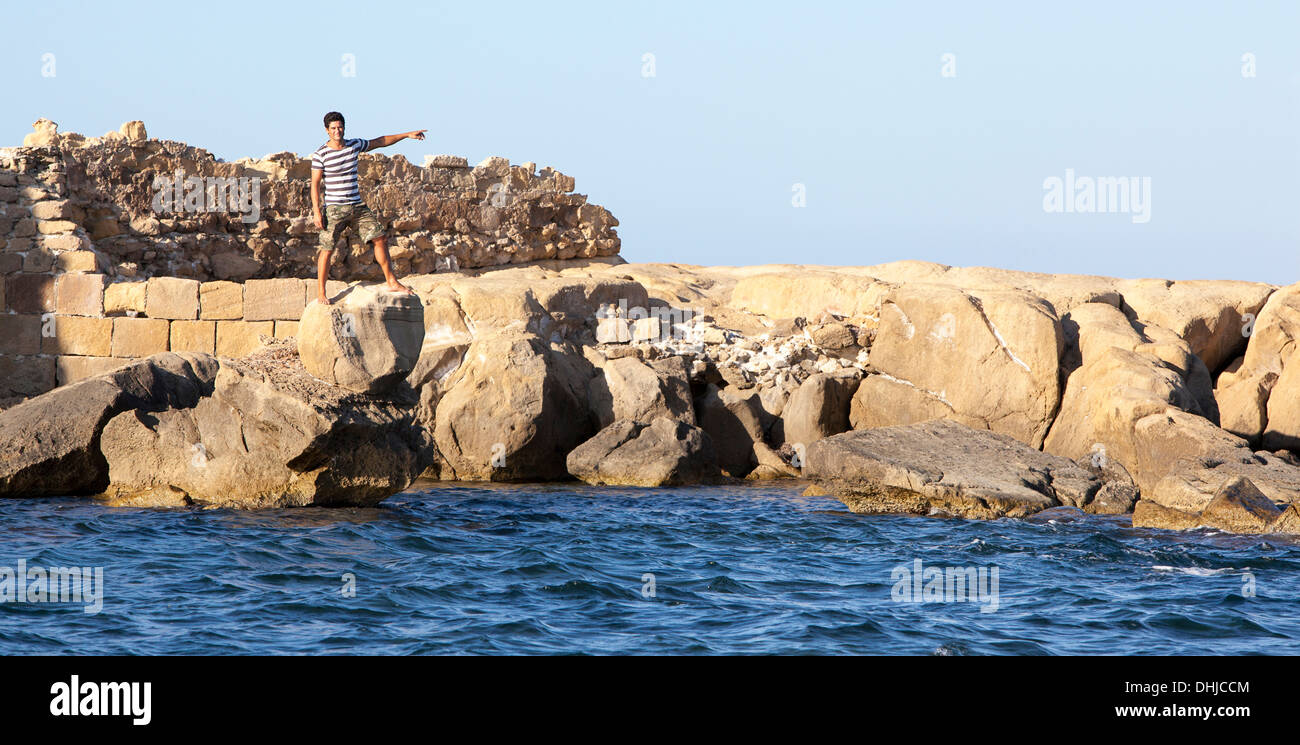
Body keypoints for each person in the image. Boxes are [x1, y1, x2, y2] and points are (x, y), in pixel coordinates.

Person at [310, 111, 425, 304]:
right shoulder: (321, 154)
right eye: (333, 128)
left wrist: (406, 135)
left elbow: (380, 141)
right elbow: (315, 184)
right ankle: (321, 293)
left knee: (380, 238)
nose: (337, 131)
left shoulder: (354, 145)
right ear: (327, 130)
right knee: (327, 248)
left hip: (357, 206)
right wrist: (316, 211)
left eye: (339, 127)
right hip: (334, 209)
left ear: (344, 127)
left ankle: (392, 281)